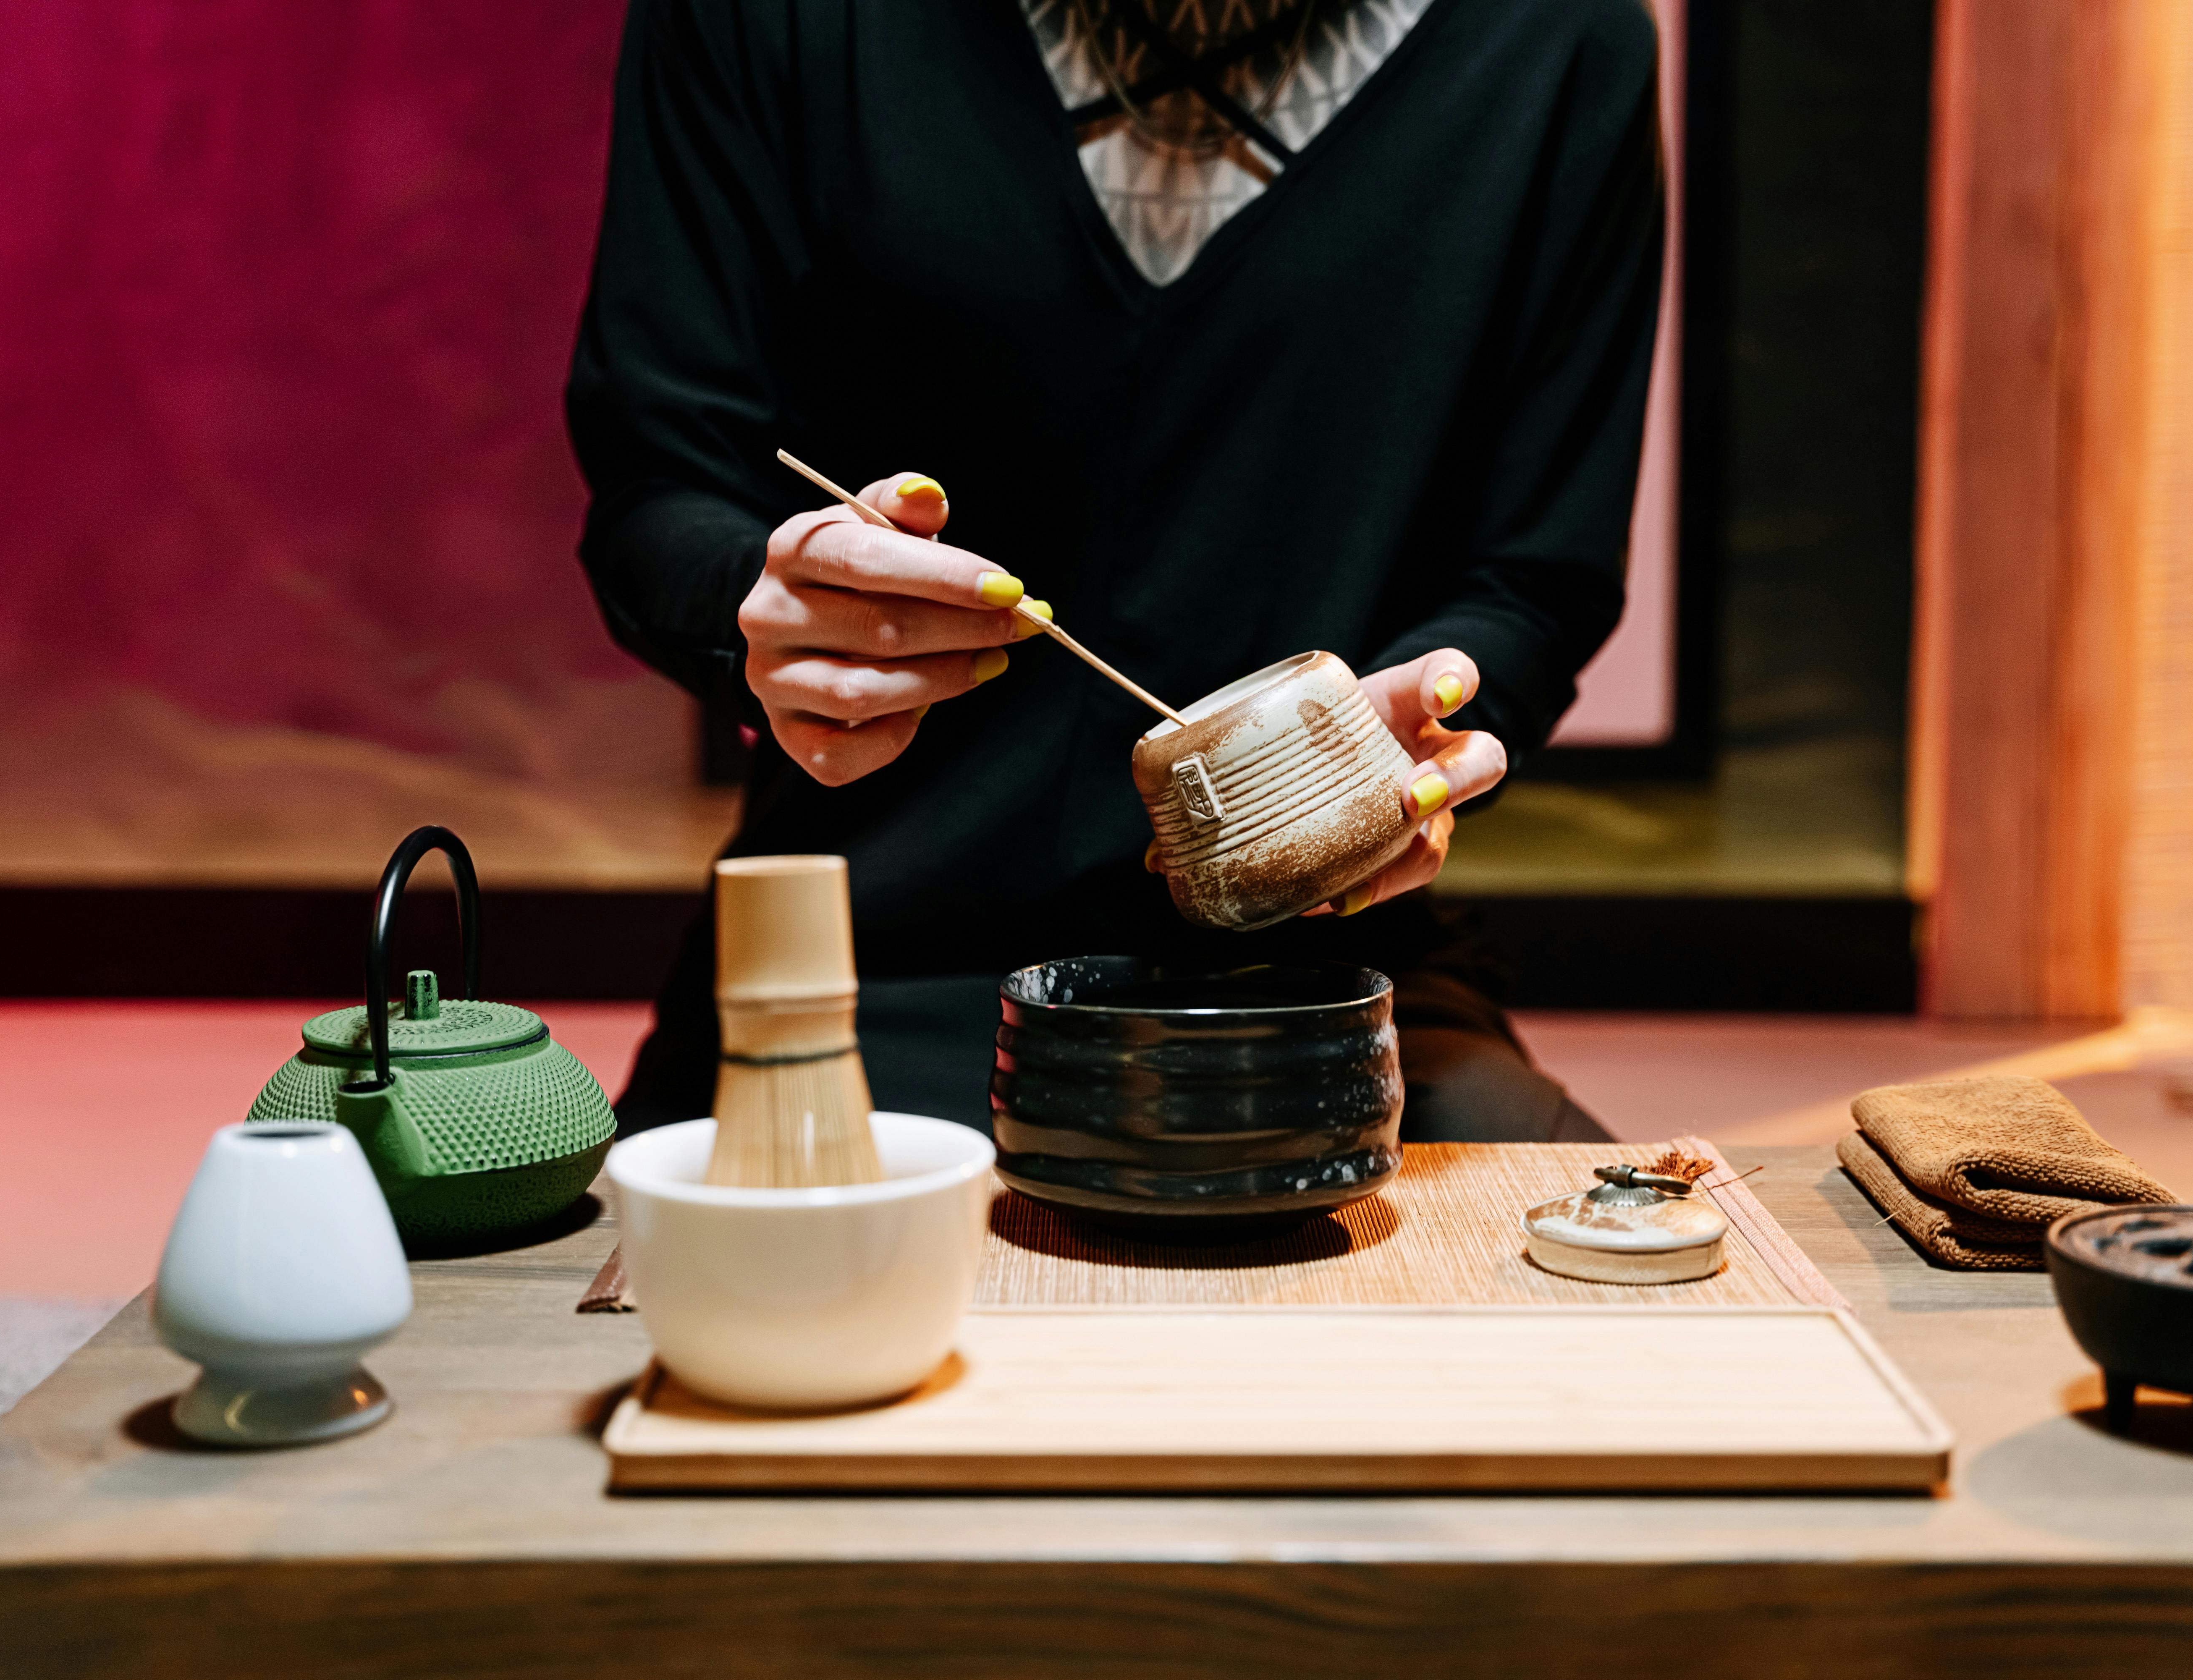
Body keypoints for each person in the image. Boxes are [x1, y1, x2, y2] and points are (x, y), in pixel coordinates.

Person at [567, 0, 1664, 1142]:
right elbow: (659, 489)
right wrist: (781, 606)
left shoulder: (1555, 40)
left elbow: (1538, 576)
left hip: (1326, 973)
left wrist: (1411, 730)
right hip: (859, 951)